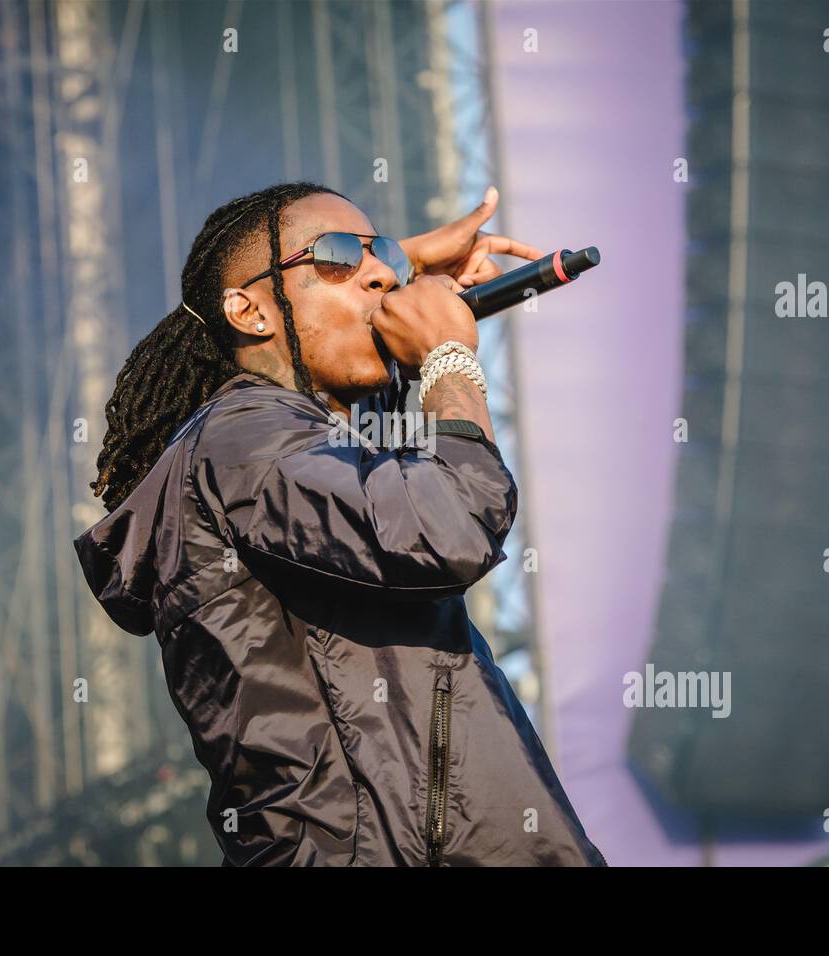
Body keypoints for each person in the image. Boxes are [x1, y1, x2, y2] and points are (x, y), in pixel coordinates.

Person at [73, 180, 606, 866]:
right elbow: (449, 526)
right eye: (336, 255)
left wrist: (392, 277)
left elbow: (366, 455)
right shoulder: (241, 438)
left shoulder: (287, 444)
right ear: (248, 311)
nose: (382, 271)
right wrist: (447, 355)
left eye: (381, 251)